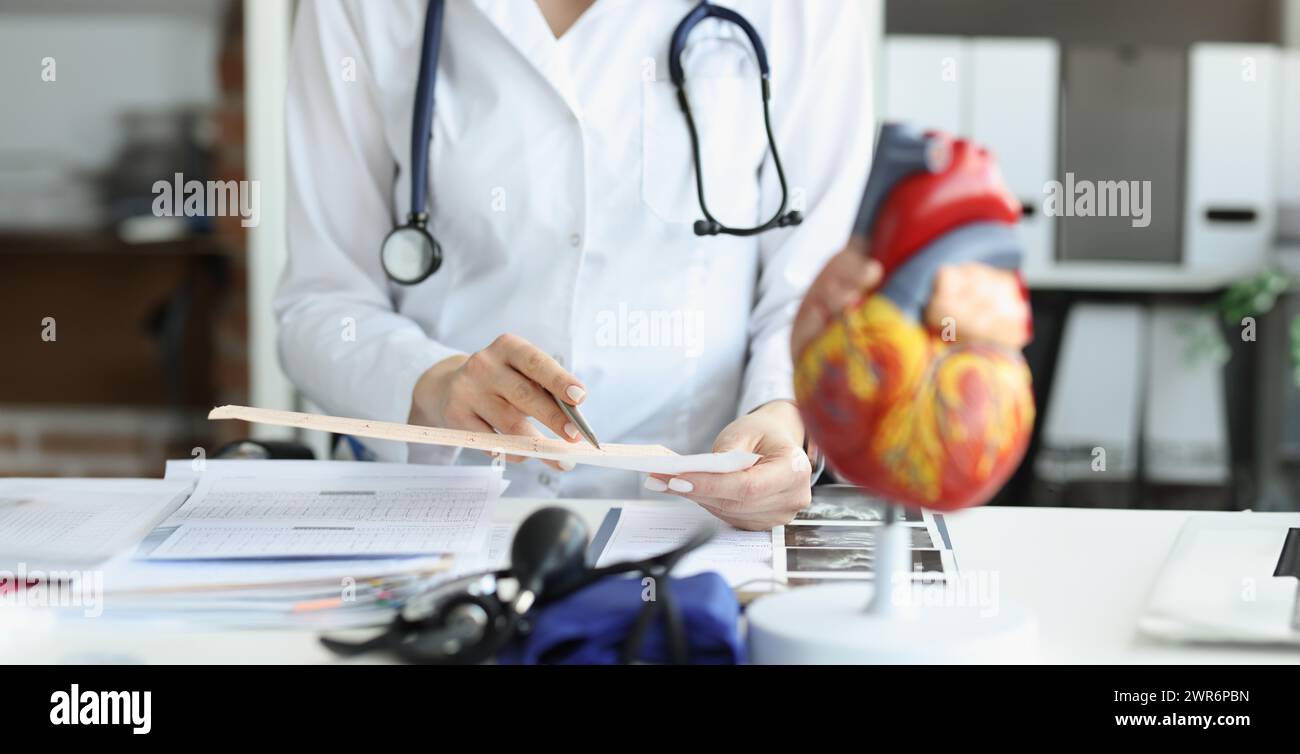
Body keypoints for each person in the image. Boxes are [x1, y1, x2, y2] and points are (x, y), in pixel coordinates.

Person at [275, 0, 1022, 530]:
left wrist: (782, 416)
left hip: (690, 527)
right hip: (429, 517)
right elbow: (319, 304)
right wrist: (435, 386)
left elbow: (808, 296)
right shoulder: (361, 10)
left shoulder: (806, 13)